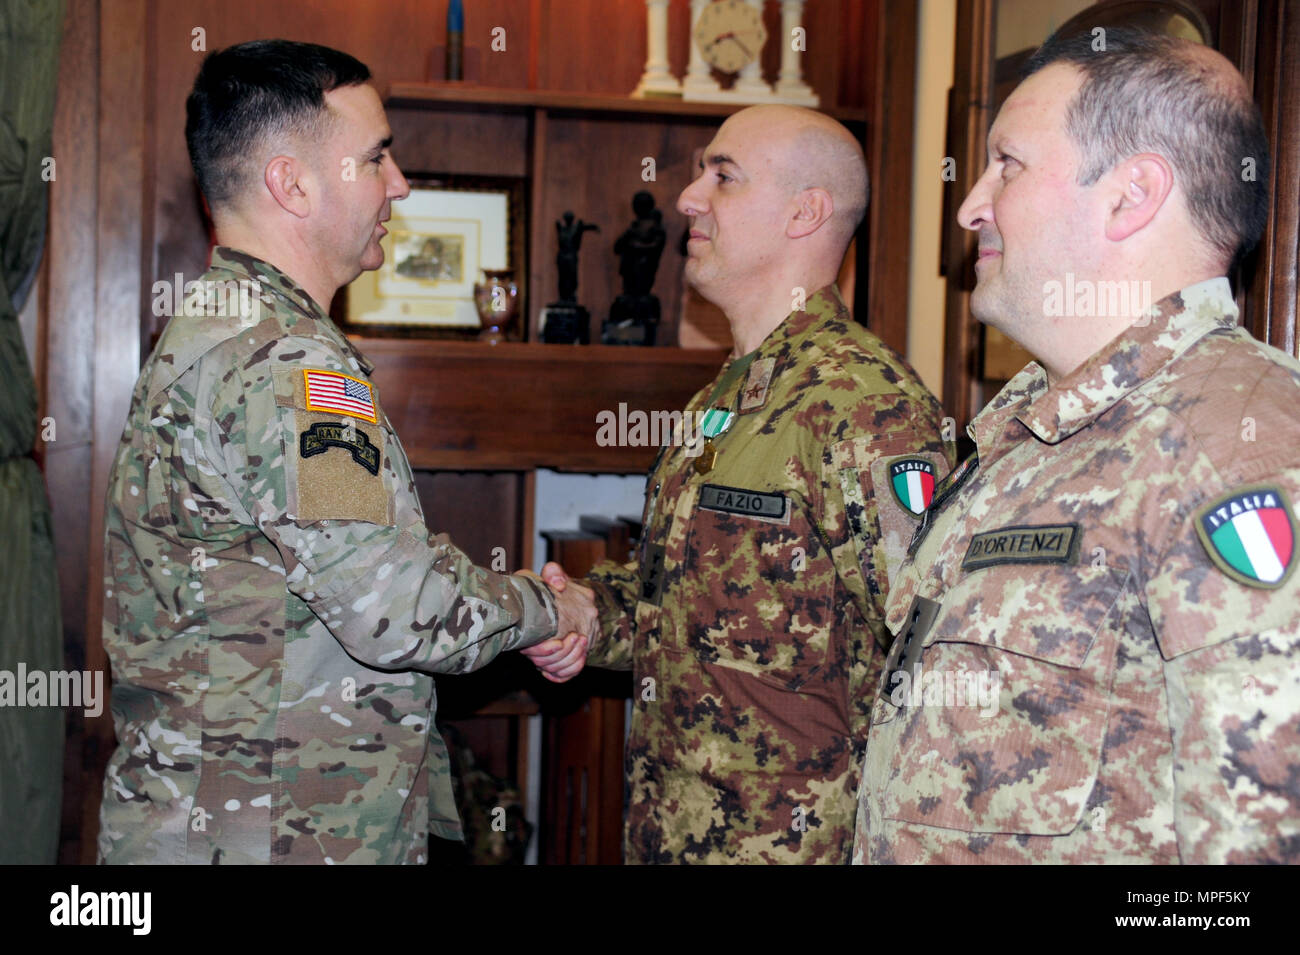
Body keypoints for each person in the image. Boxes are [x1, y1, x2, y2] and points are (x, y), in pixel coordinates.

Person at [99, 39, 594, 864]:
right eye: (376, 159)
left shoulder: (221, 325)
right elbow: (396, 608)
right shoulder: (287, 362)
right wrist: (553, 610)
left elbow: (338, 562)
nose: (399, 184)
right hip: (270, 834)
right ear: (292, 183)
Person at [855, 27, 1300, 864]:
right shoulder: (1023, 432)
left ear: (1131, 194)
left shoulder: (1242, 450)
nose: (970, 204)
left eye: (1009, 164)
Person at [527, 105, 952, 863]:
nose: (689, 197)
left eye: (722, 176)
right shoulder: (722, 400)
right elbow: (686, 606)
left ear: (805, 211)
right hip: (671, 835)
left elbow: (935, 659)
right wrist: (588, 613)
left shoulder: (866, 407)